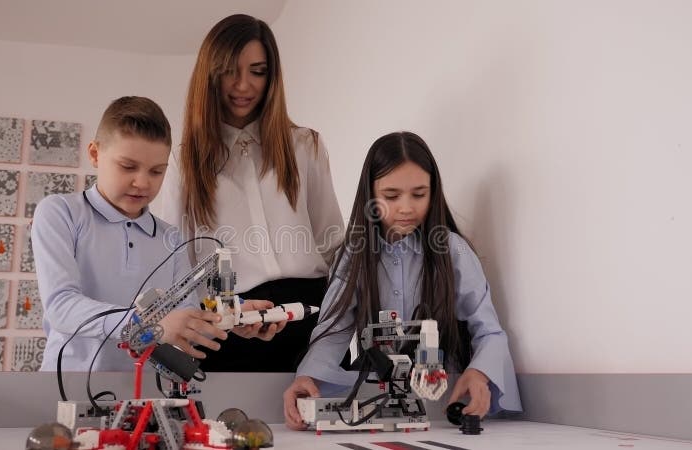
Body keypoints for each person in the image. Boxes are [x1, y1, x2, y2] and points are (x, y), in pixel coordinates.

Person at [283, 131, 522, 429]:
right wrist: (308, 377)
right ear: (370, 195)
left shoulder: (454, 252)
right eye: (391, 196)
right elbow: (334, 328)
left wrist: (481, 372)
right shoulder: (354, 256)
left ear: (434, 192)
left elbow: (489, 331)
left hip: (442, 401)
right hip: (377, 403)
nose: (406, 208)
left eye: (419, 194)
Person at [32, 96, 279, 372]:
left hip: (147, 391)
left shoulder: (170, 237)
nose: (142, 183)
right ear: (94, 154)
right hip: (68, 385)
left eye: (156, 171)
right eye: (128, 167)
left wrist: (230, 320)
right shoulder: (60, 213)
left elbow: (182, 320)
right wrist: (147, 323)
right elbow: (62, 307)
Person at [161, 14, 344, 372]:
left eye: (258, 71)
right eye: (231, 70)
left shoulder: (306, 146)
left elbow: (332, 242)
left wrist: (340, 320)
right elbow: (176, 268)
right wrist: (224, 309)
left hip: (309, 324)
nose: (243, 85)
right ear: (210, 74)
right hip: (227, 328)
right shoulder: (184, 161)